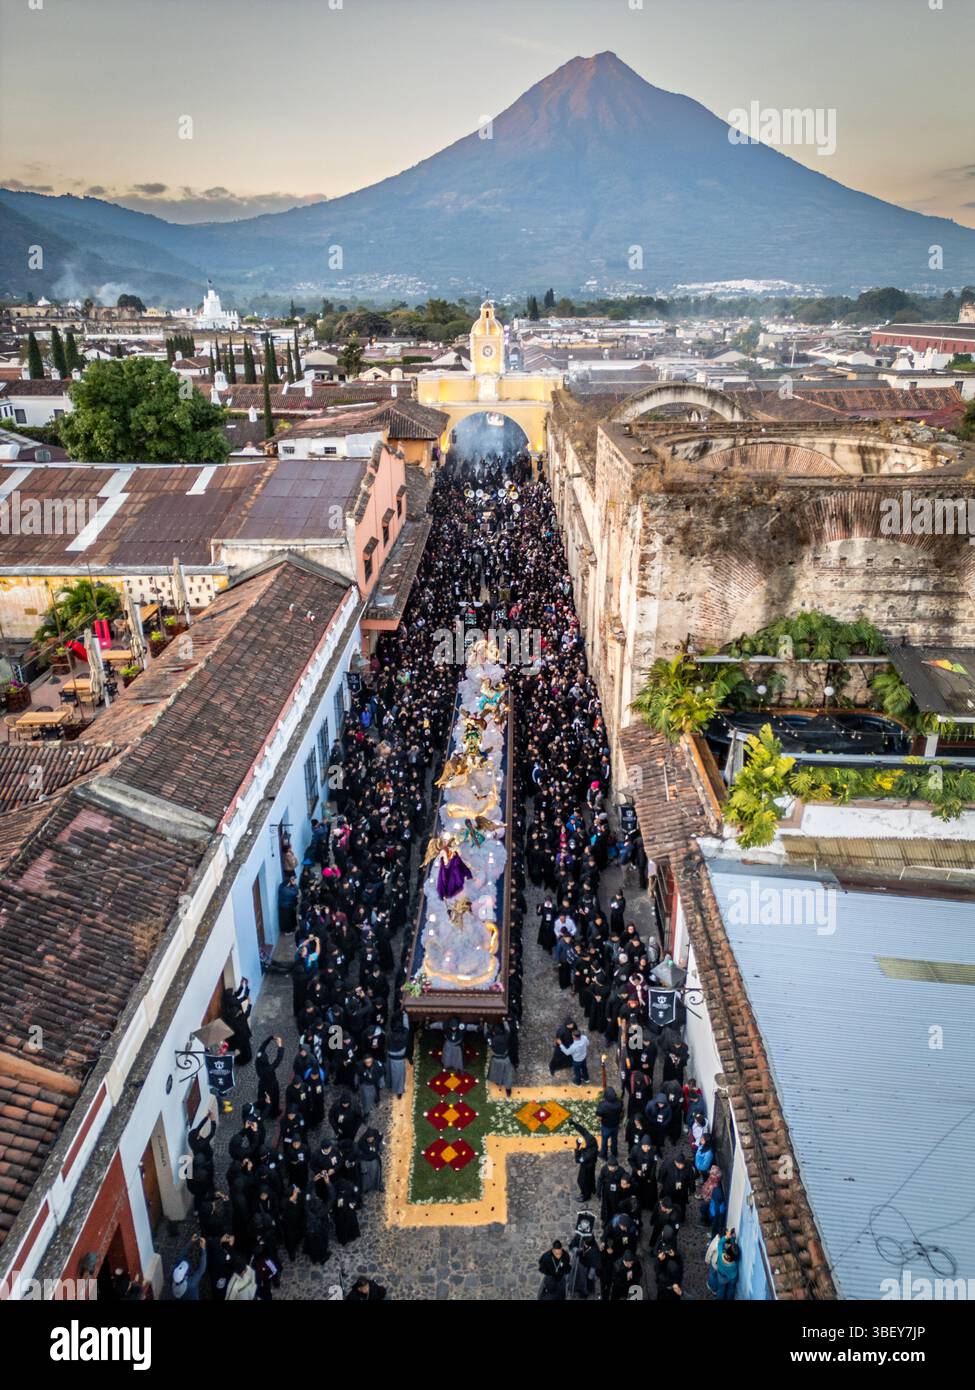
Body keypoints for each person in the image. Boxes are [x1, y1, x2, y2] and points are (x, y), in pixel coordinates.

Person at [569, 1118, 598, 1201]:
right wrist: (574, 1124)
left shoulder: (588, 1154)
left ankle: (585, 1195)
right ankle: (592, 1189)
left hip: (586, 1167)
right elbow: (583, 1131)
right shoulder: (591, 1140)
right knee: (591, 1179)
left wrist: (577, 1147)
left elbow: (578, 1160)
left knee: (582, 1181)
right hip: (591, 1165)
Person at [170, 1235, 207, 1300]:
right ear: (184, 1277)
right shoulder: (191, 1283)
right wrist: (203, 1249)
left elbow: (181, 1255)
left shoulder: (175, 1274)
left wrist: (191, 1241)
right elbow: (201, 1270)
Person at [706, 1231, 741, 1300]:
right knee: (731, 1289)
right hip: (732, 1278)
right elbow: (734, 1253)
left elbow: (720, 1244)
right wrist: (733, 1239)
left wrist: (726, 1237)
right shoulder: (734, 1263)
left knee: (721, 1289)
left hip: (721, 1276)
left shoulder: (720, 1256)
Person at [596, 1086, 622, 1159]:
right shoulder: (619, 1103)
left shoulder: (602, 1106)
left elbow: (599, 1118)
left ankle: (604, 1155)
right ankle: (614, 1153)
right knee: (614, 1140)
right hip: (615, 1125)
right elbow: (621, 1113)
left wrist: (598, 1122)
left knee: (604, 1141)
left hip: (606, 1127)